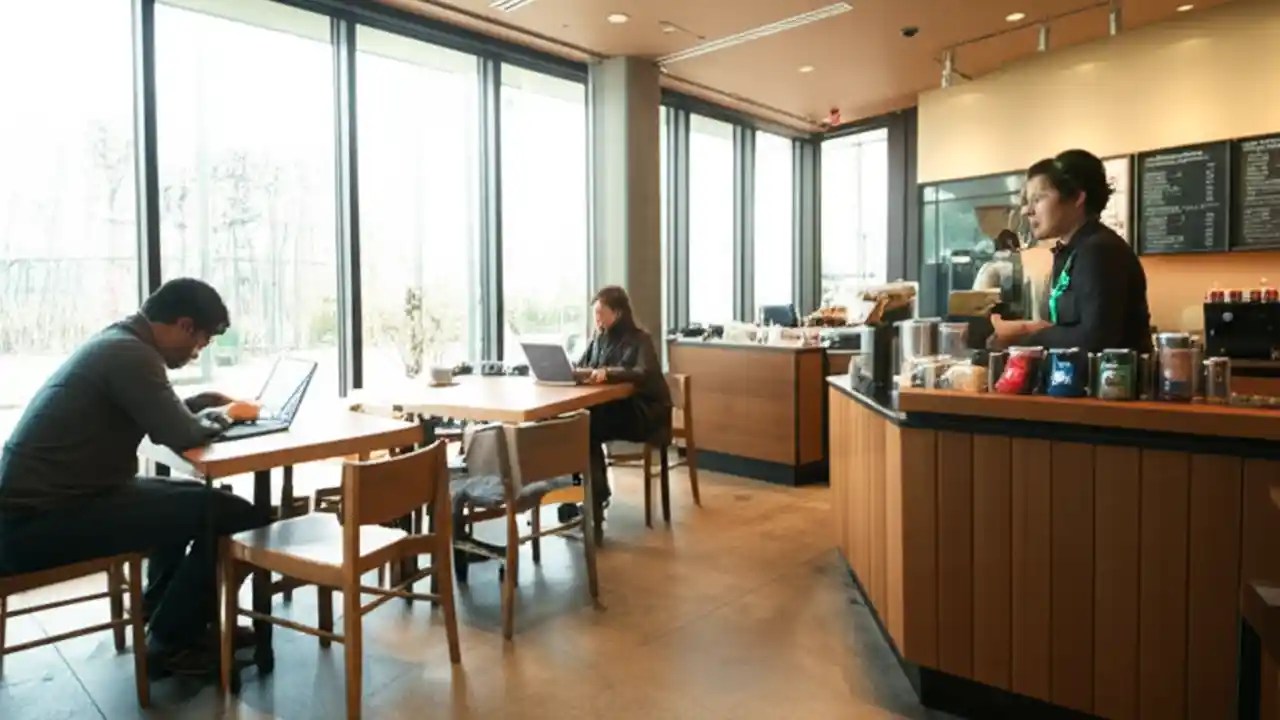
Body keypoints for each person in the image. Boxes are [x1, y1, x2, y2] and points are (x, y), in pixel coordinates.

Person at [0, 278, 270, 677]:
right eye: (201, 342)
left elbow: (159, 412)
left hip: (45, 508)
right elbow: (180, 433)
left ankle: (164, 617)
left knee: (189, 503)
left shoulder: (117, 343)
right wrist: (226, 414)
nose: (197, 353)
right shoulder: (131, 355)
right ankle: (171, 640)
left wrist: (199, 404)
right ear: (184, 325)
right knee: (237, 514)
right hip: (37, 524)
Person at [991, 149, 1153, 352]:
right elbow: (1069, 328)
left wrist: (1027, 340)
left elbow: (1095, 337)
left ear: (1077, 198)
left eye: (1038, 199)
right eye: (1027, 202)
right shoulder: (1070, 251)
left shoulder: (1099, 251)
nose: (1026, 210)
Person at [571, 286, 672, 517]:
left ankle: (593, 499)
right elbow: (581, 366)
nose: (596, 319)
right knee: (579, 425)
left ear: (617, 314)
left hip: (645, 413)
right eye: (595, 314)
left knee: (586, 426)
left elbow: (643, 372)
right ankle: (589, 496)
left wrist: (609, 372)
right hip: (617, 409)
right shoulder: (598, 339)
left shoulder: (640, 339)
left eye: (600, 313)